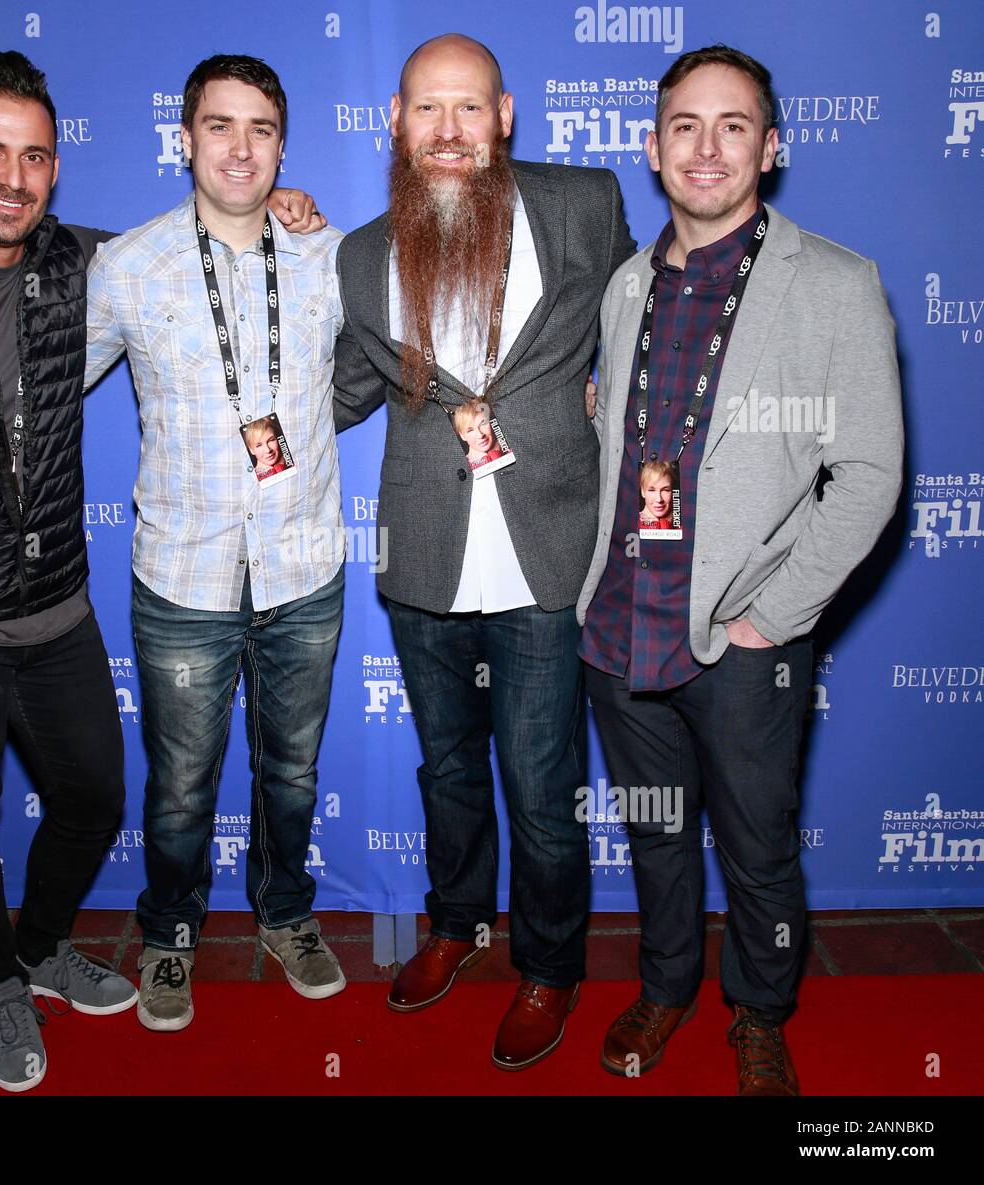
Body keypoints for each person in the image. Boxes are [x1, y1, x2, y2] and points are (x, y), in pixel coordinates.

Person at [0, 50, 321, 1092]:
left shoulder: (83, 265)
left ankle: (37, 947)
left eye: (34, 156)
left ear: (54, 170)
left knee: (93, 803)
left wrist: (276, 205)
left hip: (56, 610)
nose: (12, 177)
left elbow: (197, 247)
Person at [577, 45, 903, 1096]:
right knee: (659, 837)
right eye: (683, 125)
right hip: (623, 625)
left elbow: (867, 476)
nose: (704, 147)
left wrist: (774, 616)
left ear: (770, 146)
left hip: (741, 640)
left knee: (758, 851)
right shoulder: (628, 284)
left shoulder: (838, 284)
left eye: (731, 126)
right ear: (651, 146)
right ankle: (668, 987)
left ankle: (759, 1013)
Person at [333, 33, 635, 1071]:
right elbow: (336, 389)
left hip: (547, 550)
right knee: (449, 767)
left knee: (542, 785)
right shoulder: (361, 254)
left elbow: (642, 324)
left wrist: (626, 411)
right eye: (427, 110)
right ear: (396, 123)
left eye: (469, 109)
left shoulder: (587, 203)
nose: (450, 132)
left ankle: (549, 967)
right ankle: (456, 925)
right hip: (425, 551)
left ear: (504, 115)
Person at [86, 54, 347, 1034]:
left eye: (261, 129)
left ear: (283, 144)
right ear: (184, 138)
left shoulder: (327, 256)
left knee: (291, 774)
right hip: (182, 576)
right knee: (183, 784)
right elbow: (48, 384)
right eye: (220, 126)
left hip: (302, 569)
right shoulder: (129, 266)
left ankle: (285, 915)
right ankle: (170, 936)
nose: (241, 148)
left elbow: (390, 371)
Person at [453, 400, 504, 468]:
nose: (480, 435)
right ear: (462, 436)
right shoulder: (460, 466)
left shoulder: (512, 448)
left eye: (483, 424)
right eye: (470, 430)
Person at [639, 459, 675, 529]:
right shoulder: (632, 522)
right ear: (643, 492)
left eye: (665, 490)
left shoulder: (681, 524)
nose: (659, 499)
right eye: (652, 490)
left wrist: (665, 523)